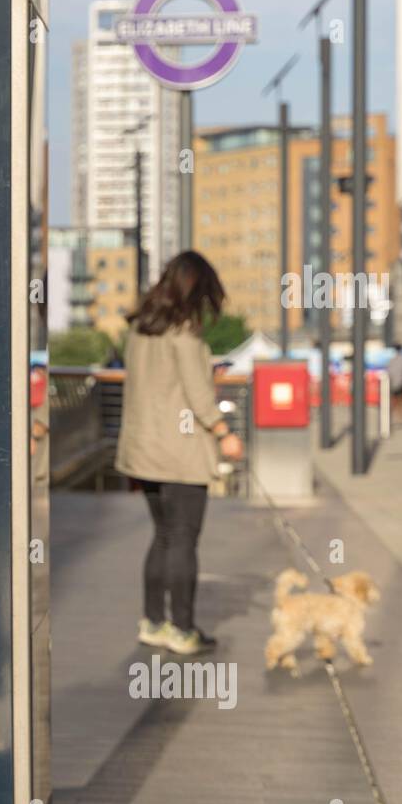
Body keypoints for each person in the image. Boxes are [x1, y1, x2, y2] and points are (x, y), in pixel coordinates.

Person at [115, 251, 243, 655]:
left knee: (164, 535)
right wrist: (224, 433)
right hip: (179, 450)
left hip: (143, 448)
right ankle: (183, 629)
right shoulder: (184, 332)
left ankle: (153, 622)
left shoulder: (140, 329)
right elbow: (197, 394)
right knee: (184, 539)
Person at [385, 343, 402, 428]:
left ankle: (392, 419)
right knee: (401, 402)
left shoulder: (391, 360)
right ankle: (401, 419)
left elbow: (388, 372)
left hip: (393, 383)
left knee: (394, 401)